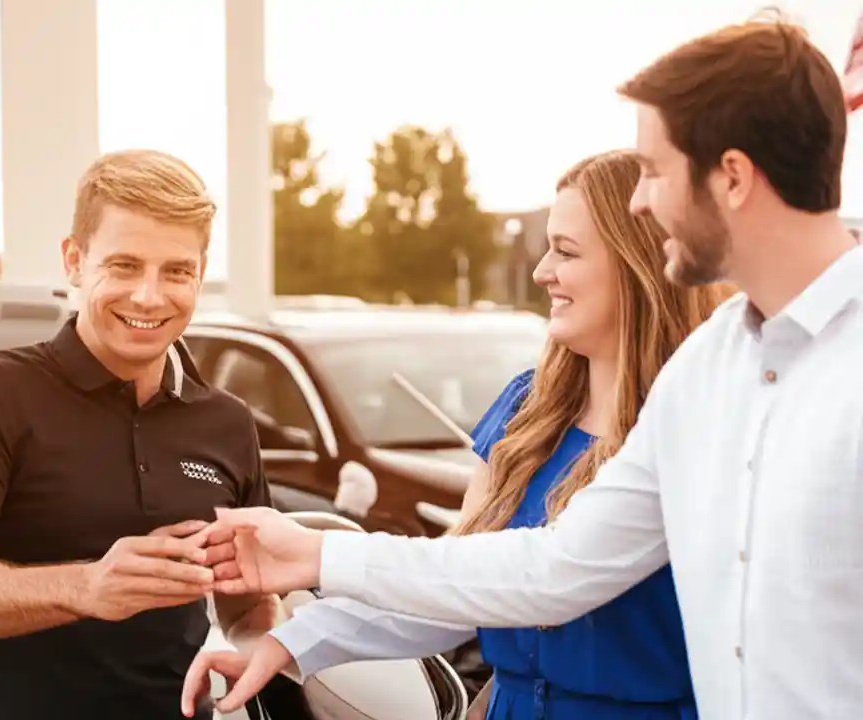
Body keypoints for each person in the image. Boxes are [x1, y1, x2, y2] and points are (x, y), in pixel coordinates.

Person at [197, 15, 863, 720]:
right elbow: (553, 569)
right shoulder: (706, 369)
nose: (641, 199)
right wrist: (315, 565)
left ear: (731, 177)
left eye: (656, 171)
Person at [183, 150, 729, 719]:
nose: (542, 271)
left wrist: (318, 554)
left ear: (637, 265)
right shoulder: (528, 409)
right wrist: (288, 645)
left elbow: (546, 575)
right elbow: (457, 584)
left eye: (566, 251)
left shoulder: (698, 423)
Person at [0, 149, 281, 719]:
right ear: (75, 261)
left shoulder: (227, 423)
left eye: (176, 271)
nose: (149, 297)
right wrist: (88, 588)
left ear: (200, 275)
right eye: (125, 265)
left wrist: (260, 646)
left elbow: (248, 602)